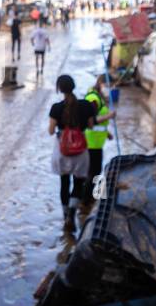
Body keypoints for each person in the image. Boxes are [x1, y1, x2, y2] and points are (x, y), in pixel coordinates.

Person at [49, 74, 96, 231]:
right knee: (78, 184)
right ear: (73, 86)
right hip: (80, 152)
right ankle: (72, 214)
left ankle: (65, 216)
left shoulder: (56, 108)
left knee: (64, 183)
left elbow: (50, 131)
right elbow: (90, 126)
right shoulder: (86, 105)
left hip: (62, 151)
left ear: (59, 89)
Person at [82, 74, 115, 207]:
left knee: (95, 170)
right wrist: (110, 115)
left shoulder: (97, 97)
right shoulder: (93, 98)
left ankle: (89, 198)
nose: (110, 88)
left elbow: (98, 120)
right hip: (91, 143)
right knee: (93, 171)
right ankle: (87, 200)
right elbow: (89, 121)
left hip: (96, 142)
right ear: (101, 83)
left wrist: (107, 133)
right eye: (108, 85)